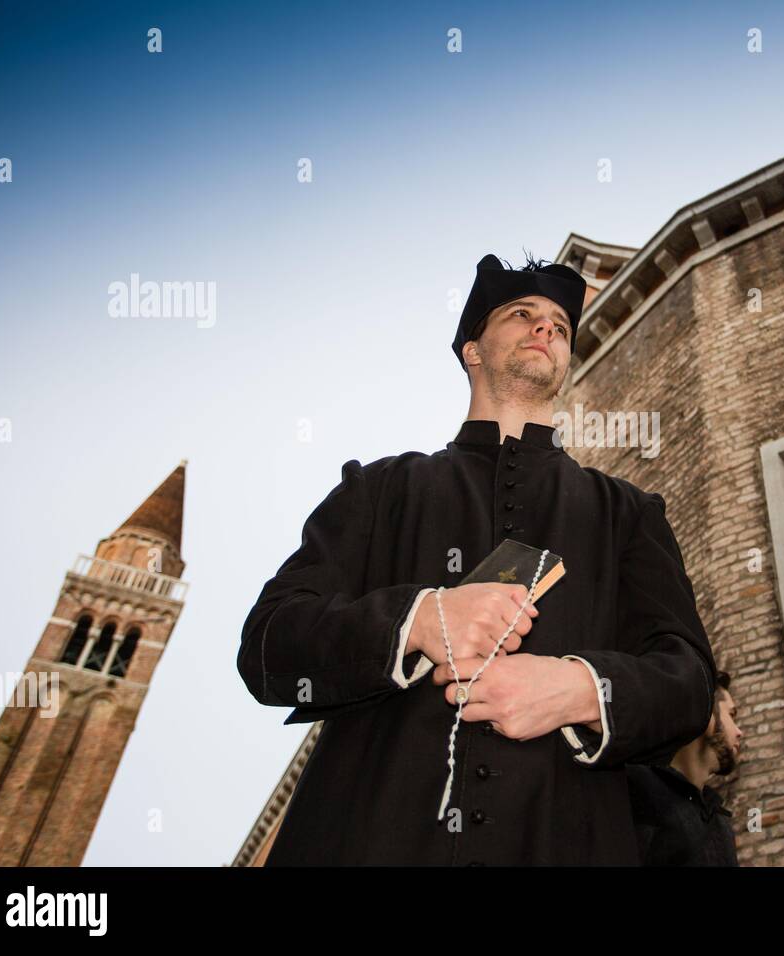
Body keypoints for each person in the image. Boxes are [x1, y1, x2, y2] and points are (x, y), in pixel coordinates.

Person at [238, 251, 716, 865]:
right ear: (473, 350)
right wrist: (417, 619)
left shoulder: (629, 512)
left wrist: (578, 689)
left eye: (561, 326)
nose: (546, 327)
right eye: (522, 313)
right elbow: (268, 642)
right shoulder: (377, 490)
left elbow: (690, 682)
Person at [627, 669, 743, 865]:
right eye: (731, 714)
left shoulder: (719, 820)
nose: (739, 732)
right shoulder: (639, 796)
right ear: (708, 715)